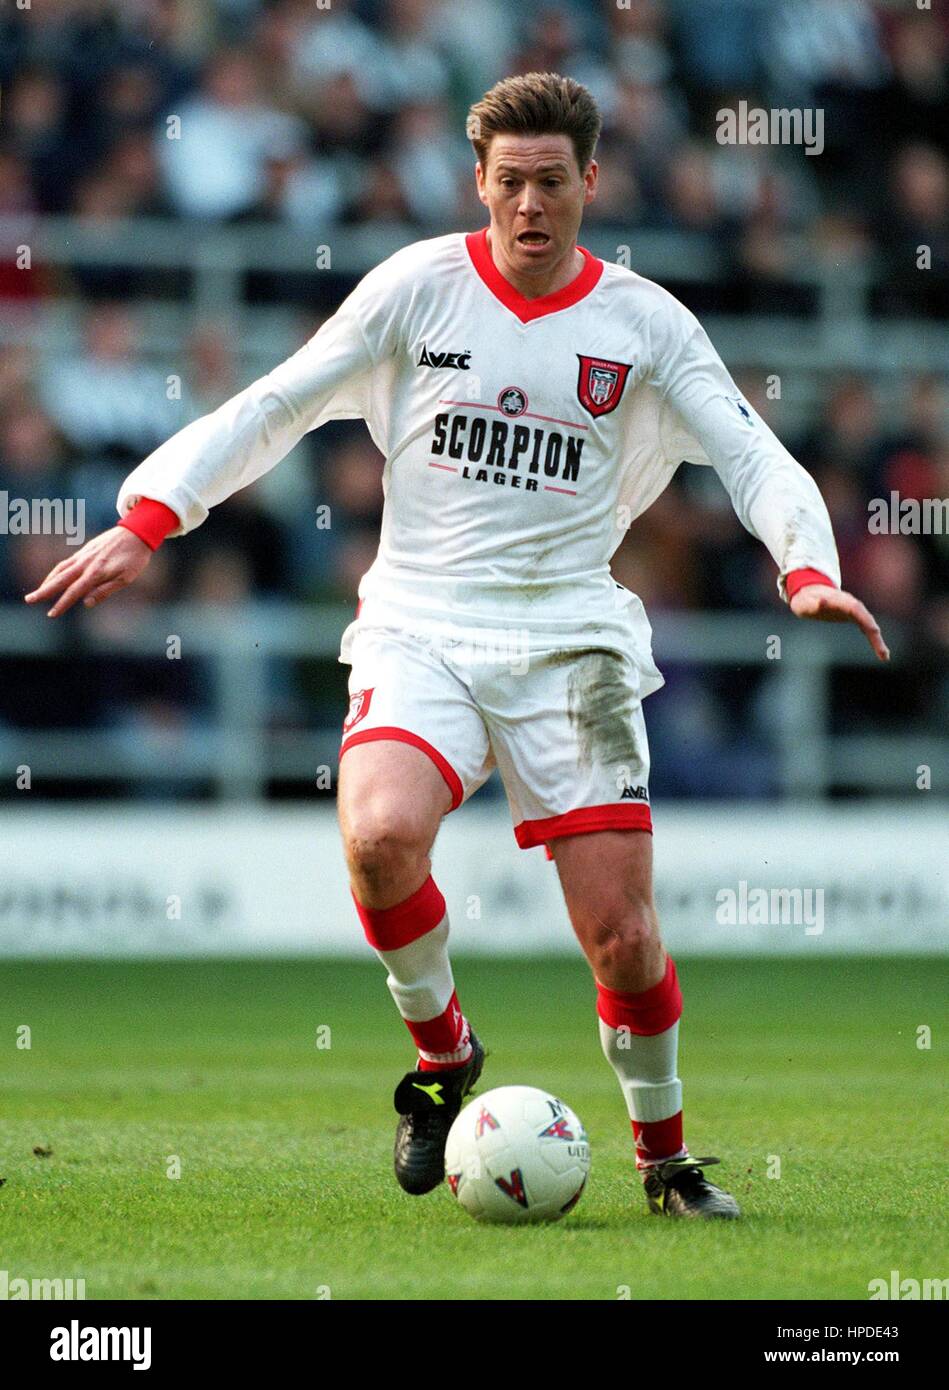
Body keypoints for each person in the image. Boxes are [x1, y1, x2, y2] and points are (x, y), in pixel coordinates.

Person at [26, 72, 889, 1220]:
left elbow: (750, 454)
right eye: (509, 182)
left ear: (590, 183)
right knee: (379, 836)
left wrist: (806, 563)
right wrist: (152, 516)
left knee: (622, 936)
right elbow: (276, 403)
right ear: (478, 181)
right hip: (420, 621)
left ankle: (664, 1160)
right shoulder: (416, 290)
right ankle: (443, 1057)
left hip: (572, 637)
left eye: (552, 183)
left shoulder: (643, 324)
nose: (530, 205)